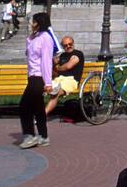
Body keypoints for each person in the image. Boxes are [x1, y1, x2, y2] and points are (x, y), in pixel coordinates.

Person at [18, 12, 57, 148]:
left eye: (33, 22)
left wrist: (48, 83)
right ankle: (43, 136)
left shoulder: (46, 38)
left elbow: (46, 61)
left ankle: (29, 135)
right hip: (31, 76)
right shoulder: (34, 37)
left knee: (24, 106)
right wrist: (30, 38)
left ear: (39, 23)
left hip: (38, 77)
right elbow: (29, 53)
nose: (31, 24)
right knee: (38, 107)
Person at [45, 36, 85, 117]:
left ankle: (42, 116)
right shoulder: (62, 55)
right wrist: (53, 63)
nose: (68, 46)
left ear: (73, 43)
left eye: (70, 44)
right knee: (39, 89)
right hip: (59, 79)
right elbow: (53, 71)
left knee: (55, 94)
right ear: (63, 47)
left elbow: (68, 66)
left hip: (71, 81)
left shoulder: (78, 54)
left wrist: (57, 68)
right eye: (65, 45)